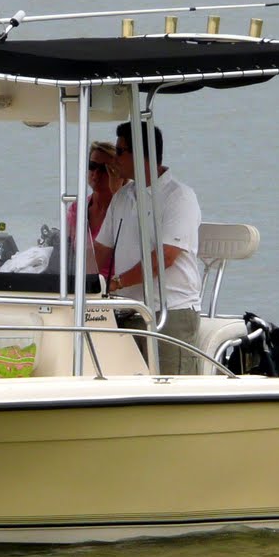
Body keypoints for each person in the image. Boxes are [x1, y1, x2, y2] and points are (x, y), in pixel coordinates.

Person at [94, 122, 203, 374]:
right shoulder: (122, 196)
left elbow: (164, 258)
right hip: (127, 313)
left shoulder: (179, 197)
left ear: (143, 155)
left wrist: (116, 283)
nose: (114, 159)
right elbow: (100, 251)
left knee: (172, 389)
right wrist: (72, 281)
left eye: (120, 151)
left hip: (170, 314)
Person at [69, 140, 120, 280]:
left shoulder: (126, 208)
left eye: (104, 169)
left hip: (116, 285)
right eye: (92, 166)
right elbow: (68, 253)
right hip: (84, 283)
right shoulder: (77, 209)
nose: (96, 173)